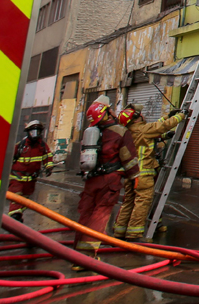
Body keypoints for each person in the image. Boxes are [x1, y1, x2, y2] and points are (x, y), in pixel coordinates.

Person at [74, 96, 137, 270]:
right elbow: (129, 159)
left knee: (85, 213)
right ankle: (86, 258)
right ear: (108, 112)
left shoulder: (91, 133)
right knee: (100, 214)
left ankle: (76, 254)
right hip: (109, 180)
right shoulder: (120, 131)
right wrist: (134, 177)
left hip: (91, 179)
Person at [114, 103, 185, 241]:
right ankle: (134, 234)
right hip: (143, 174)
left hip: (130, 173)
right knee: (142, 202)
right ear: (136, 118)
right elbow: (160, 127)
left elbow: (154, 128)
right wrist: (181, 116)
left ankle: (119, 231)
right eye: (140, 114)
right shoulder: (143, 129)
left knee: (129, 201)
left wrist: (166, 116)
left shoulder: (128, 131)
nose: (142, 115)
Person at [7, 120, 54, 222]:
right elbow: (10, 157)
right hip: (17, 177)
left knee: (25, 198)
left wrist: (49, 167)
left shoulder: (42, 145)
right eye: (33, 132)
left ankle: (18, 214)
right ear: (28, 132)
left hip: (31, 179)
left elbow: (47, 156)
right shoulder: (21, 145)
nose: (35, 134)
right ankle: (15, 217)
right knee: (16, 196)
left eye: (37, 132)